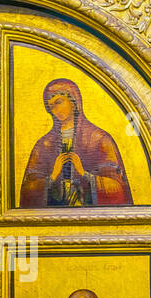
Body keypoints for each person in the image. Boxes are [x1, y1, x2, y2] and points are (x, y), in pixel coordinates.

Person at [19, 77, 132, 208]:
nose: (55, 110)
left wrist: (85, 174)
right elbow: (27, 192)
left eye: (59, 102)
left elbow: (118, 188)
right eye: (50, 106)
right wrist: (52, 177)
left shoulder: (99, 139)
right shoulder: (44, 145)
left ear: (73, 100)